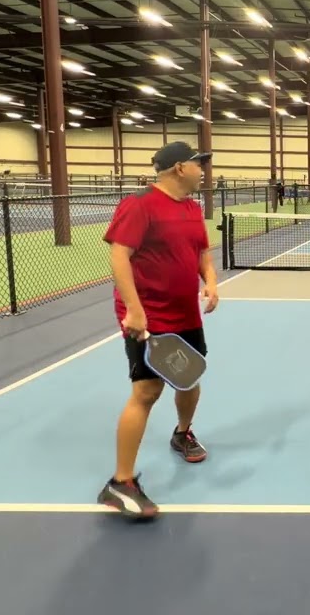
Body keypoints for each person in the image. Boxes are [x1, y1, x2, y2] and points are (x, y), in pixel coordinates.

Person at [97, 141, 219, 519]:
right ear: (179, 168)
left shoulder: (192, 208)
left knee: (189, 379)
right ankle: (121, 483)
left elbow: (201, 252)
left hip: (186, 314)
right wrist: (134, 310)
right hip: (149, 317)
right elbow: (119, 254)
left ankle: (182, 433)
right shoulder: (140, 204)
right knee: (147, 391)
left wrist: (211, 281)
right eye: (199, 165)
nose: (204, 170)